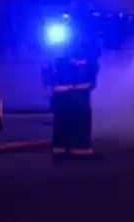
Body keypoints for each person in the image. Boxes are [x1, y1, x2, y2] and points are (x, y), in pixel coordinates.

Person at [40, 10, 100, 160]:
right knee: (71, 117)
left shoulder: (87, 43)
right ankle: (76, 148)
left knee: (70, 117)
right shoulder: (84, 42)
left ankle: (69, 148)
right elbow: (48, 65)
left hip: (74, 90)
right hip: (71, 90)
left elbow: (93, 64)